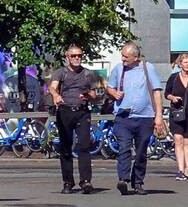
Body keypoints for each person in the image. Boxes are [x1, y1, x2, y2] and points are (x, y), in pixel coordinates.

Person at [106, 42, 167, 196]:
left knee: (141, 152)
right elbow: (109, 87)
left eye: (126, 57)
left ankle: (138, 181)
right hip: (123, 116)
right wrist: (113, 93)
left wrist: (158, 116)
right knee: (124, 148)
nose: (123, 59)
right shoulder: (118, 69)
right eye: (122, 56)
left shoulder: (148, 68)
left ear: (136, 57)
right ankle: (123, 179)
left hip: (145, 117)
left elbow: (156, 92)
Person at [48, 44, 101, 194]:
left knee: (84, 145)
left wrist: (88, 96)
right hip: (65, 111)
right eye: (74, 56)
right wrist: (56, 95)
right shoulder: (60, 73)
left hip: (82, 112)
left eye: (79, 55)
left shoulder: (87, 74)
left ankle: (86, 181)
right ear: (67, 57)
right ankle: (68, 182)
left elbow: (95, 95)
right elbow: (52, 87)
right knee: (65, 147)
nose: (77, 58)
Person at [165, 52, 188, 181]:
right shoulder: (174, 78)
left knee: (187, 142)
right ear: (180, 64)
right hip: (177, 113)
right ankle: (180, 170)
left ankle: (187, 169)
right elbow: (166, 93)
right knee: (178, 140)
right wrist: (173, 98)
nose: (187, 65)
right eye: (185, 62)